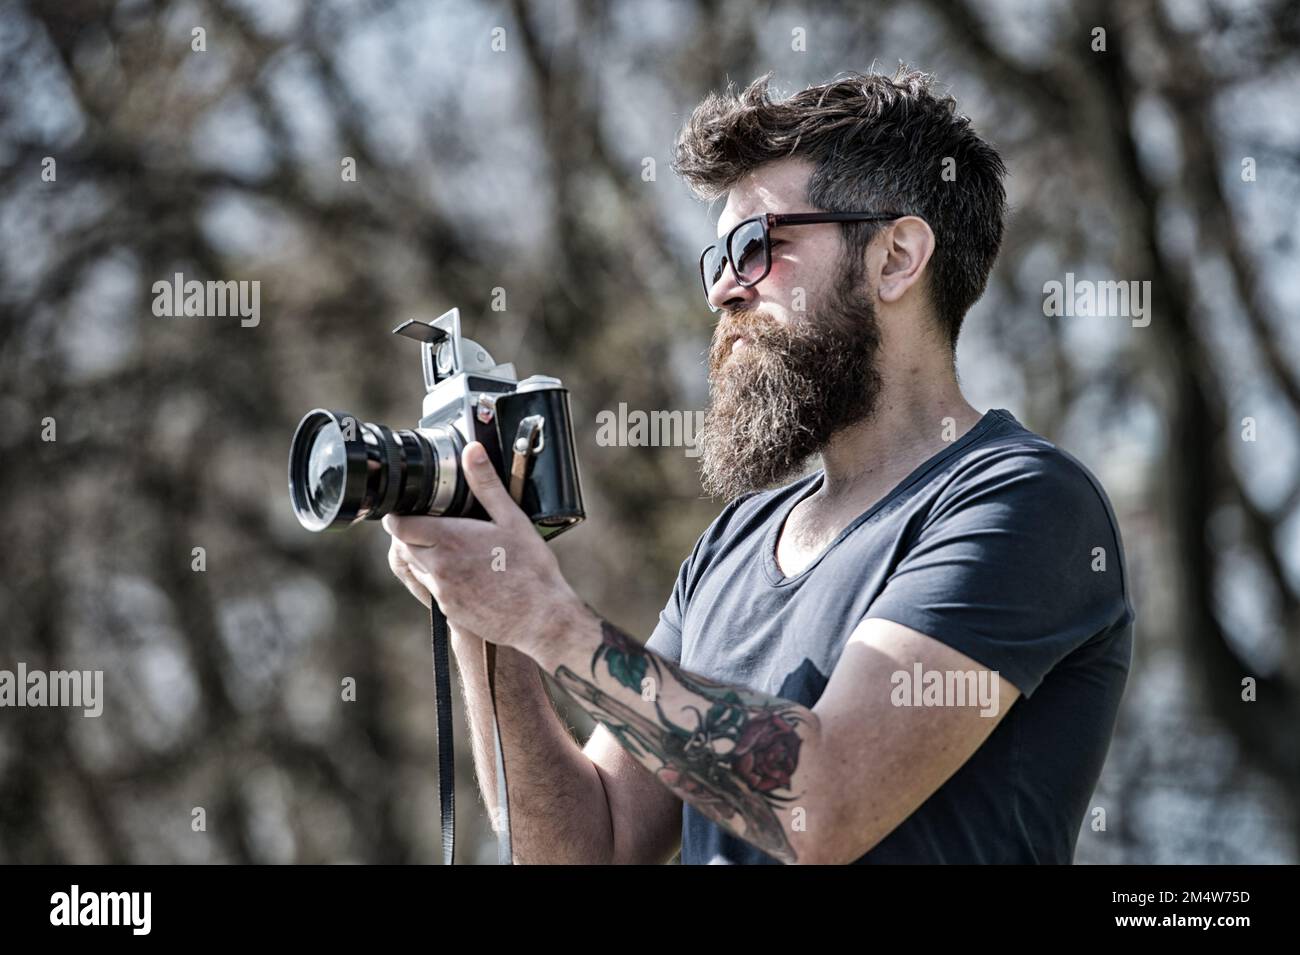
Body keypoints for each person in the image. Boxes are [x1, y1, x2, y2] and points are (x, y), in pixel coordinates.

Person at [384, 66, 1134, 864]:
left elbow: (826, 801)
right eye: (716, 260)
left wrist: (546, 617)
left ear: (895, 258)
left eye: (755, 247)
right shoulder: (731, 546)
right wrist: (482, 613)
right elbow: (586, 847)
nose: (722, 293)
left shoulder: (1022, 502)